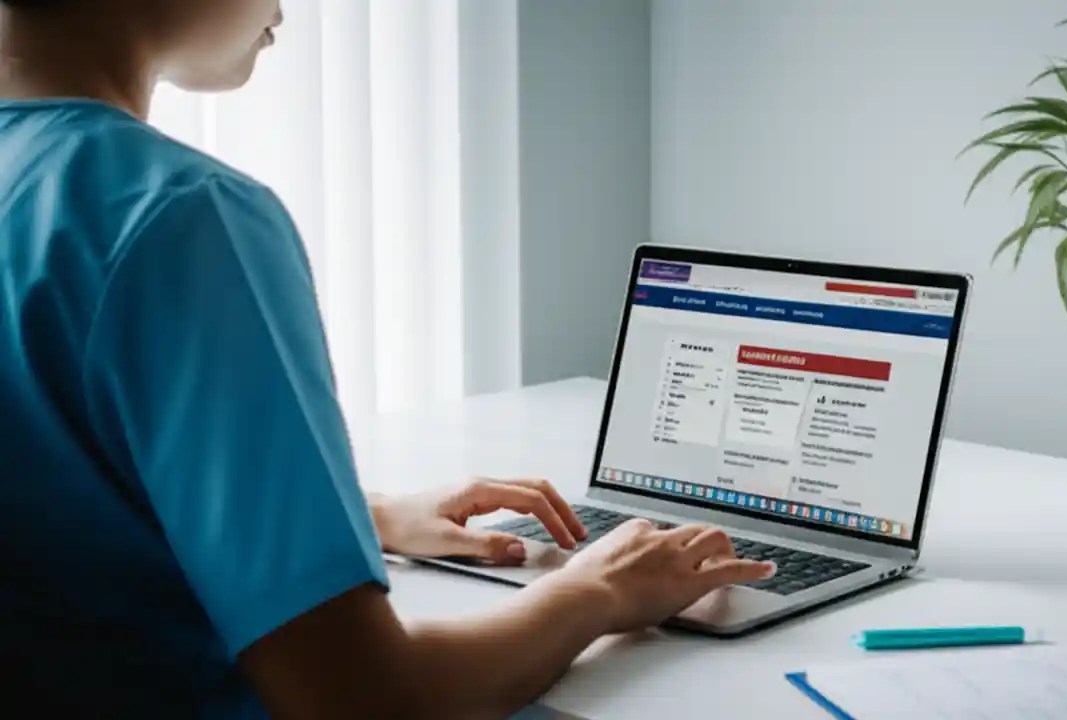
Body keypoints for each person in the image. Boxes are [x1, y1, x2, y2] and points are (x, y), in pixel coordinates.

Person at [0, 1, 775, 717]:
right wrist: (598, 592)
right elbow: (366, 700)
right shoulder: (184, 218)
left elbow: (63, 508)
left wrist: (358, 520)